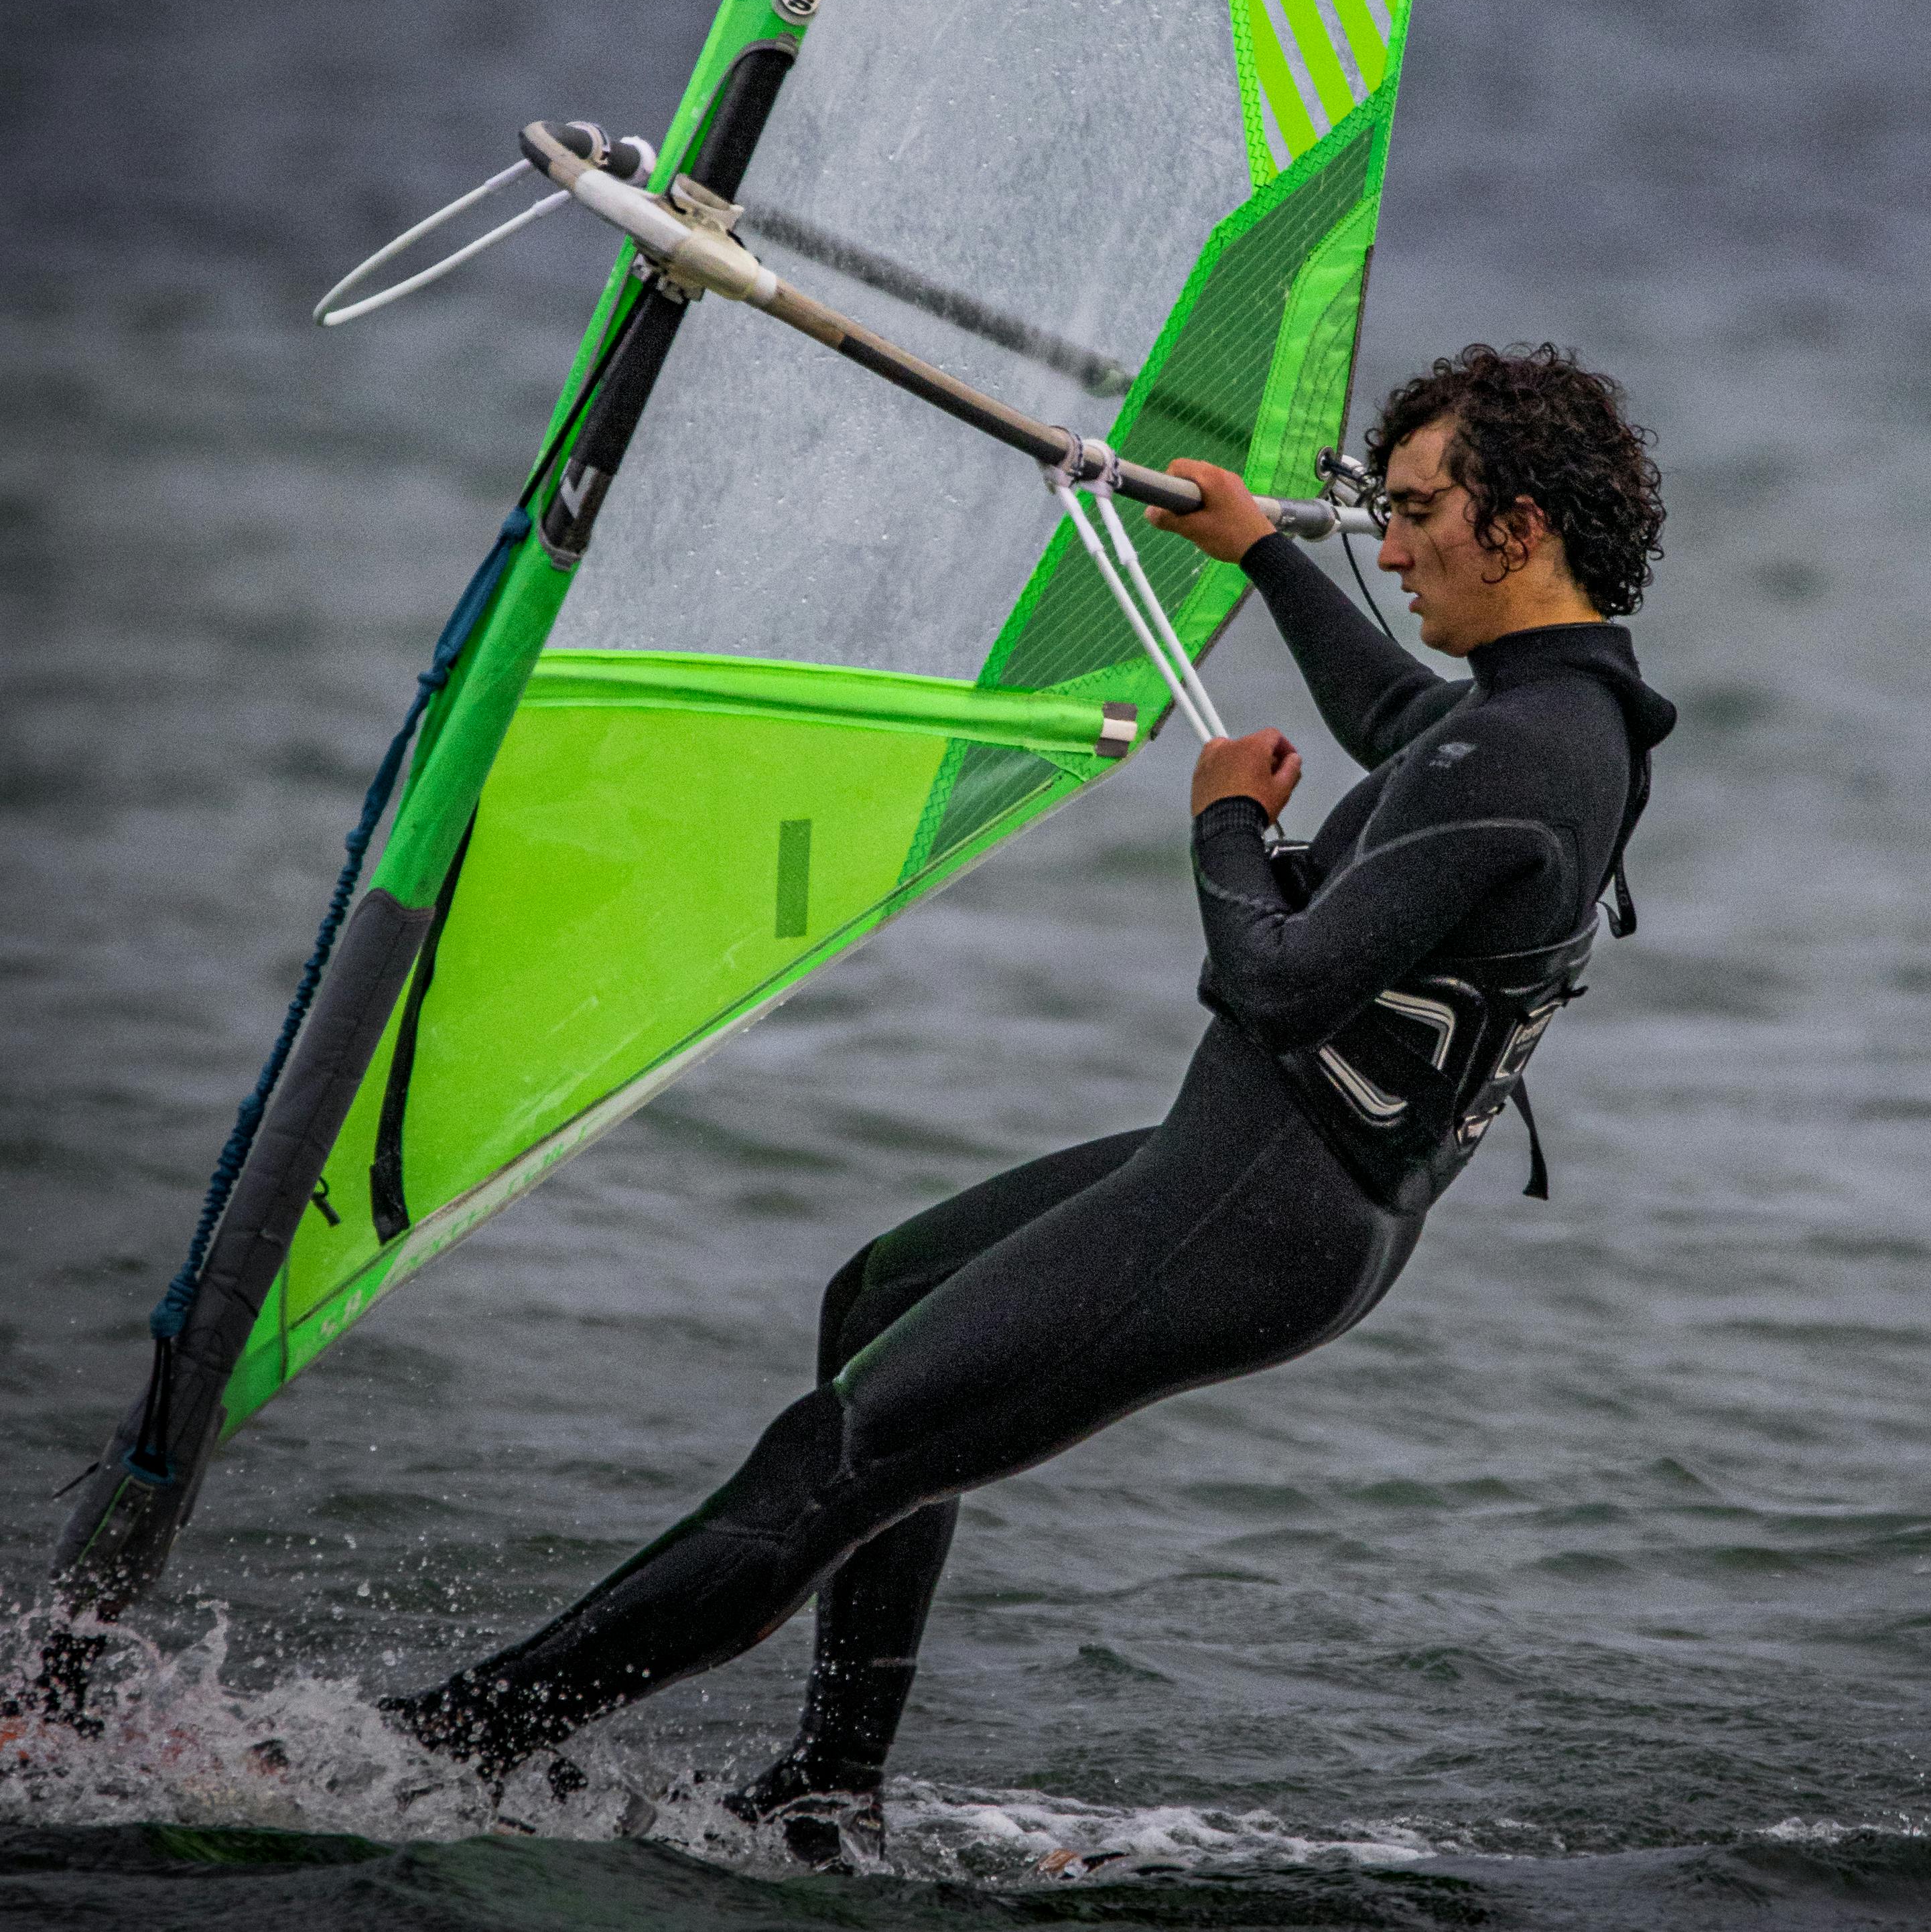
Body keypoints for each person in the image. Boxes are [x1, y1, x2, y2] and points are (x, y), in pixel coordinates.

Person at [383, 342, 1677, 1860]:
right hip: (1278, 1184)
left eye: (1412, 513)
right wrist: (1260, 550)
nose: (1385, 548)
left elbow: (1271, 983)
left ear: (1517, 525)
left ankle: (446, 1745)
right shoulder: (1568, 713)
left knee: (836, 1459)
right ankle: (826, 1784)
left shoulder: (1517, 752)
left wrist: (1225, 829)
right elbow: (1403, 723)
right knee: (882, 1294)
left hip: (1257, 1204)